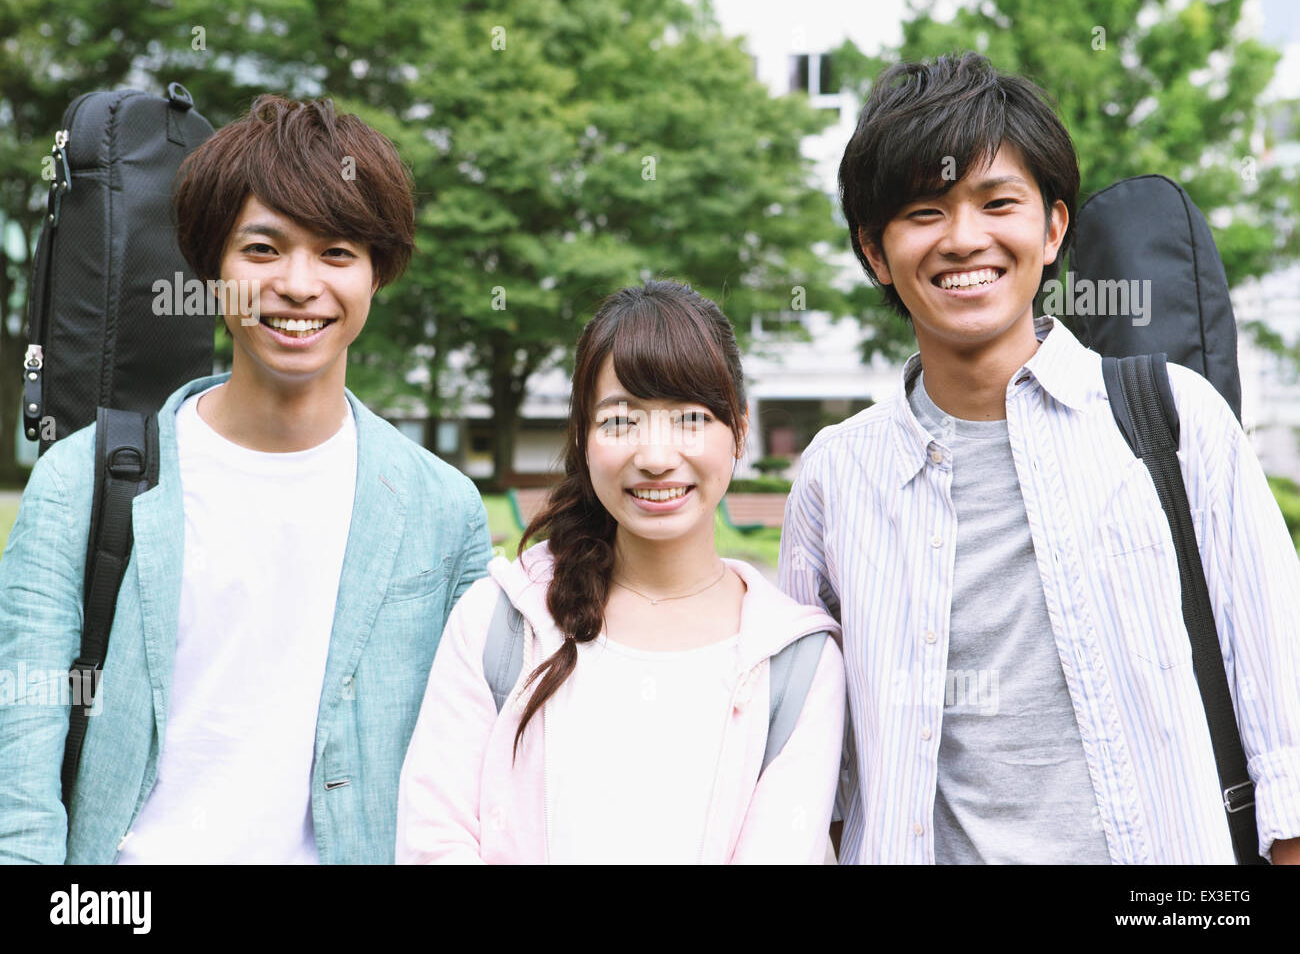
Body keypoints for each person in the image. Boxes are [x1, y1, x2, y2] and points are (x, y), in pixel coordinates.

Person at [779, 52, 1300, 864]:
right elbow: (814, 758)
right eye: (924, 212)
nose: (964, 239)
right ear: (875, 253)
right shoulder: (834, 476)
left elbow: (1284, 710)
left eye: (998, 203)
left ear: (1053, 228)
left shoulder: (1174, 418)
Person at [0, 95, 491, 864]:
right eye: (262, 249)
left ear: (375, 275)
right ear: (210, 269)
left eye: (337, 253)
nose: (298, 285)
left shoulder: (441, 508)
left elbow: (468, 771)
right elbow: (18, 759)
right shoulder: (83, 480)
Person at [396, 280, 845, 864]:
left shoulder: (798, 662)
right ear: (582, 435)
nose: (656, 456)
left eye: (690, 418)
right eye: (620, 420)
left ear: (738, 429)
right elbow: (436, 837)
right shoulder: (500, 619)